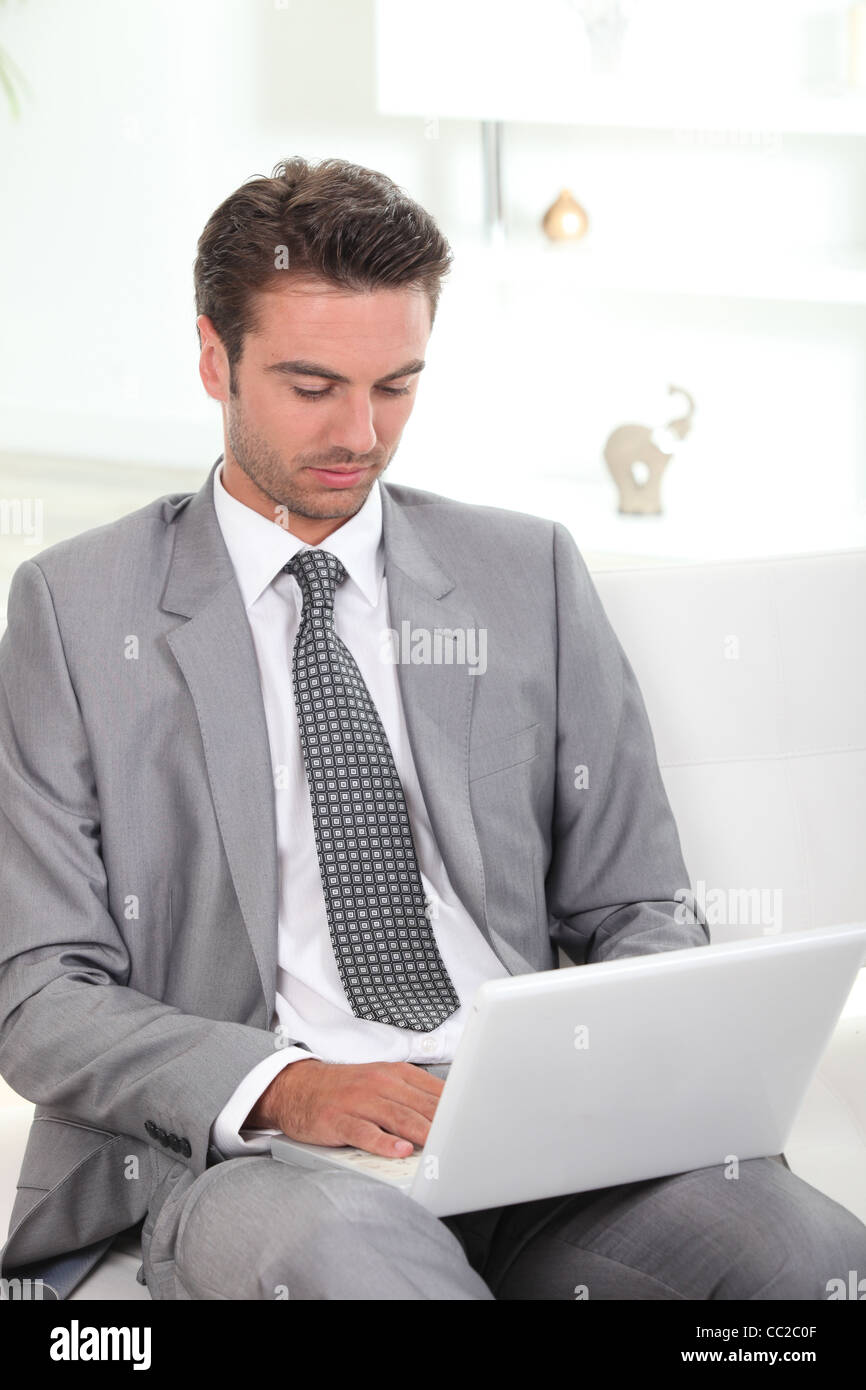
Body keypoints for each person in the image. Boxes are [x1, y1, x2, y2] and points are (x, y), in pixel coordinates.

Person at [1, 157, 864, 1301]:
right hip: (262, 1158)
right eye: (311, 386)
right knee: (357, 1268)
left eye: (395, 385)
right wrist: (284, 1083)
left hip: (533, 1129)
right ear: (214, 356)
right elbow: (39, 989)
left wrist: (613, 1076)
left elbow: (635, 903)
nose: (359, 433)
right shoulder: (75, 608)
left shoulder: (524, 573)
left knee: (804, 1258)